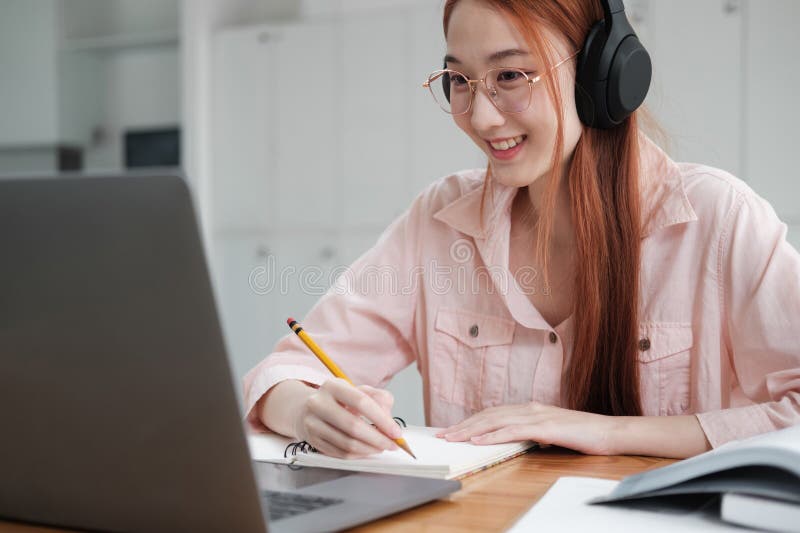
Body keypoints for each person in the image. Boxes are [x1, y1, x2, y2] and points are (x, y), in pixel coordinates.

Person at [243, 0, 800, 460]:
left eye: (510, 75)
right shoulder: (437, 223)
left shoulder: (719, 220)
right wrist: (308, 410)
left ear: (599, 74)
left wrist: (607, 433)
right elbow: (283, 373)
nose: (481, 117)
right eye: (459, 80)